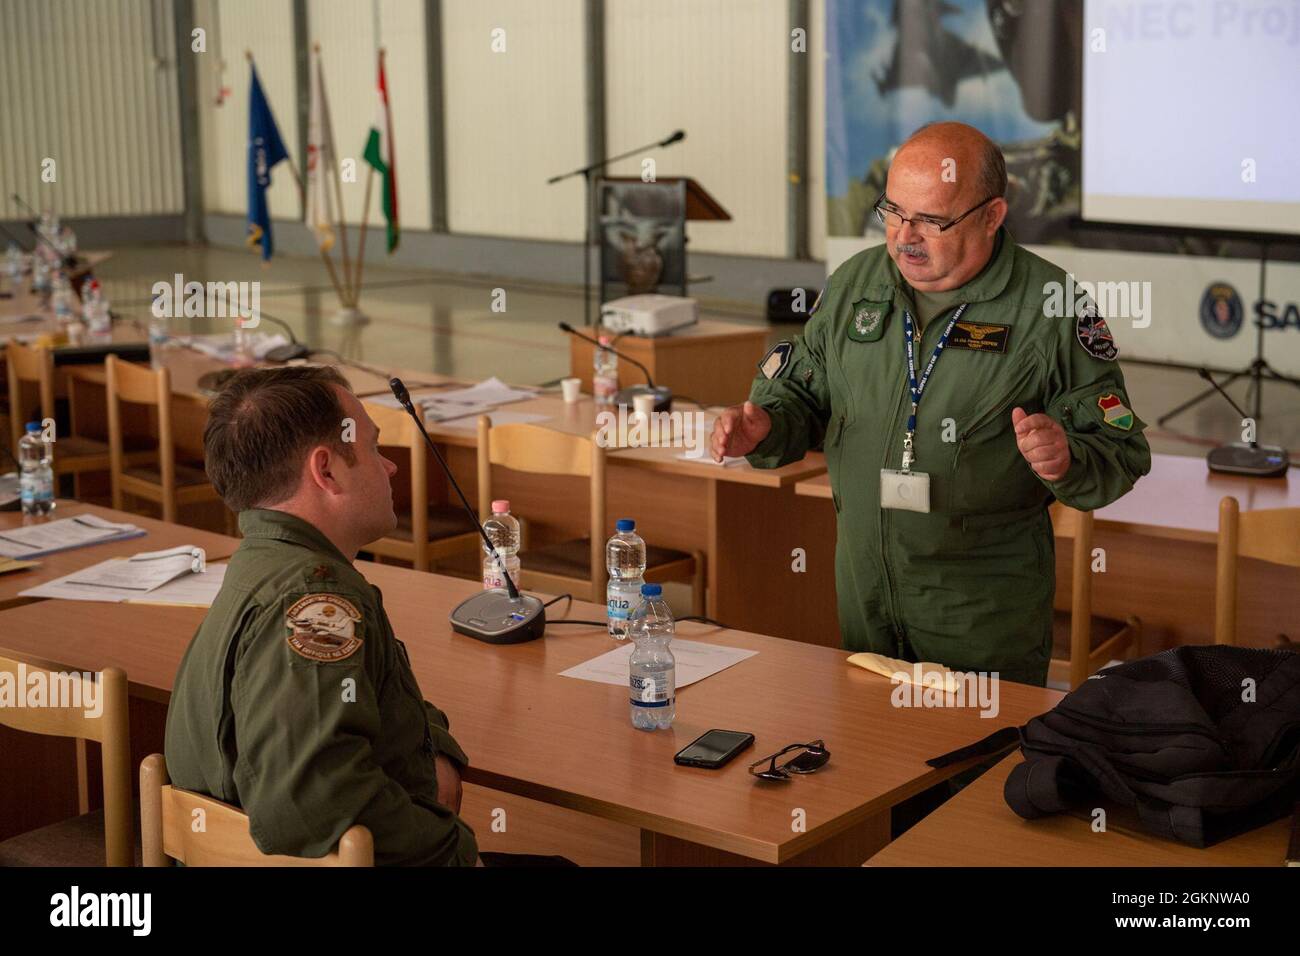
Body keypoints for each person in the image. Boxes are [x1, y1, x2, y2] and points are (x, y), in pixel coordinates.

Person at [711, 122, 1150, 686]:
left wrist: (1066, 458)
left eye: (932, 220)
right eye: (892, 211)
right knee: (871, 762)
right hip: (865, 598)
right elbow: (802, 396)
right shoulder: (855, 286)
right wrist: (765, 427)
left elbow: (1122, 447)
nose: (903, 237)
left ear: (993, 216)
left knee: (979, 769)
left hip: (980, 617)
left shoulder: (1053, 308)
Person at [165, 365, 478, 865]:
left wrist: (432, 748)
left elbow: (368, 700)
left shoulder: (262, 564)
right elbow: (309, 801)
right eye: (375, 449)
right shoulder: (316, 598)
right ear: (326, 470)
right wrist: (456, 851)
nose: (390, 467)